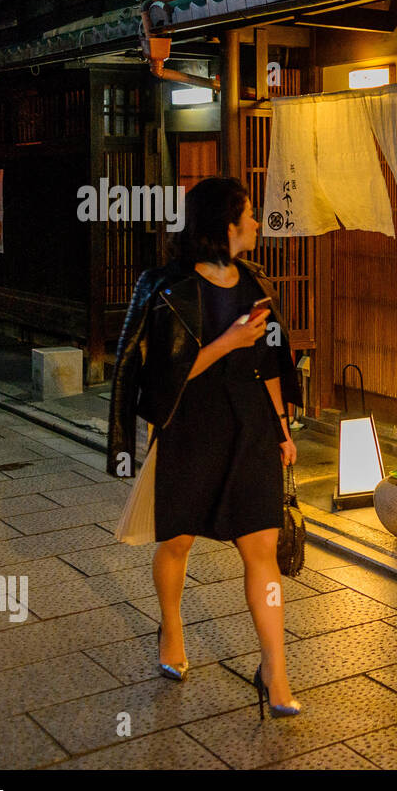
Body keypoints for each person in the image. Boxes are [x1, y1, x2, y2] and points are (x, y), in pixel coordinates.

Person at [107, 176, 304, 719]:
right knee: (177, 542)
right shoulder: (163, 286)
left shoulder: (254, 283)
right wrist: (225, 343)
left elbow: (267, 363)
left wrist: (283, 430)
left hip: (250, 427)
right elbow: (158, 376)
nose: (257, 225)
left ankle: (275, 667)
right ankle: (172, 627)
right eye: (250, 216)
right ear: (225, 225)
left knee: (261, 548)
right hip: (190, 425)